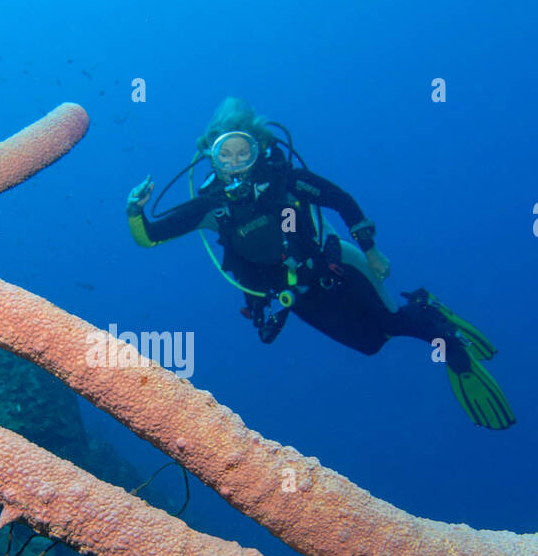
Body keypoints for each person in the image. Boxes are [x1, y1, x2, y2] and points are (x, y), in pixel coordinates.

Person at [126, 97, 514, 429]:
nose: (236, 162)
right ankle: (424, 309)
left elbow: (341, 200)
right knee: (370, 344)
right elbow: (150, 237)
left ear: (259, 147)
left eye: (244, 151)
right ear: (212, 154)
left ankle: (448, 343)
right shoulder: (210, 205)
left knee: (392, 323)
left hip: (337, 266)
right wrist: (134, 210)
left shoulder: (287, 181)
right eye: (225, 154)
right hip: (295, 295)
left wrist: (372, 250)